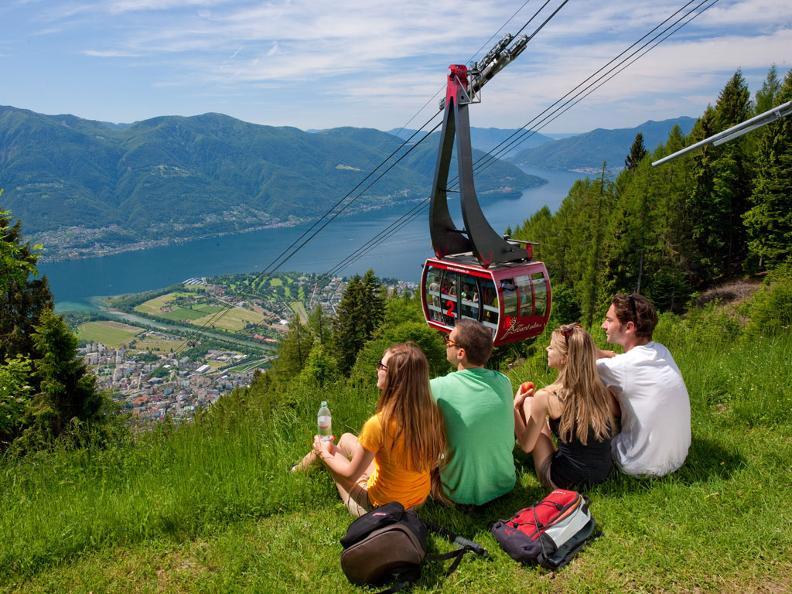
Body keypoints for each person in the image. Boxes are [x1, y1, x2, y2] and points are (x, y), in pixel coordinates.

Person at [298, 342, 447, 516]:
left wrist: (323, 453)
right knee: (346, 438)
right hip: (416, 501)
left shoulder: (379, 424)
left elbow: (349, 474)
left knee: (326, 448)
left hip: (380, 508)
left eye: (381, 366)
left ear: (394, 376)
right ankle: (297, 469)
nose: (377, 370)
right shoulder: (431, 413)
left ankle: (296, 472)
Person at [514, 324, 620, 490]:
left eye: (551, 347)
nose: (547, 349)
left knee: (529, 402)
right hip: (601, 475)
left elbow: (527, 446)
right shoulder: (602, 392)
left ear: (564, 358)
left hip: (562, 481)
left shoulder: (546, 396)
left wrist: (514, 409)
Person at [597, 293, 691, 477]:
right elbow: (622, 361)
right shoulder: (662, 351)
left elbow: (581, 368)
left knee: (593, 385)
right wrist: (605, 353)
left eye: (609, 320)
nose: (604, 325)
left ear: (629, 327)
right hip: (677, 458)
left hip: (635, 464)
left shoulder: (620, 367)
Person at [430, 319, 516, 506]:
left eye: (448, 341)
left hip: (459, 494)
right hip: (505, 484)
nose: (446, 345)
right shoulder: (504, 381)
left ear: (461, 353)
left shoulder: (437, 387)